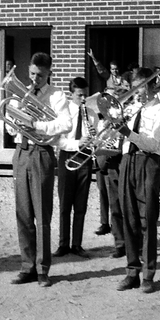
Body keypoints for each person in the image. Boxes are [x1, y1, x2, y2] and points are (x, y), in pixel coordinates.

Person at [0, 52, 73, 287]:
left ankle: (42, 270)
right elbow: (10, 128)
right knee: (23, 213)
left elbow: (65, 124)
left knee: (42, 214)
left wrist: (36, 124)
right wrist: (17, 119)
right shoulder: (19, 96)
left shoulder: (57, 96)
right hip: (21, 153)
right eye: (31, 74)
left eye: (39, 75)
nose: (34, 80)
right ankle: (26, 267)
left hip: (42, 152)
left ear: (49, 73)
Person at [115, 67, 160, 293]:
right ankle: (131, 271)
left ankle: (148, 275)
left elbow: (149, 143)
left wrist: (126, 132)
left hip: (147, 163)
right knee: (127, 218)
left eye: (139, 88)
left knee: (147, 219)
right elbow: (118, 137)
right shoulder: (130, 108)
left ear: (150, 87)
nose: (135, 93)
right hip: (126, 162)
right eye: (132, 88)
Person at [55, 77, 92, 258]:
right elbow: (58, 140)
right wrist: (78, 142)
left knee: (80, 204)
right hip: (67, 156)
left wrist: (92, 140)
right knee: (65, 203)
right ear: (72, 94)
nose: (83, 99)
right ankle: (63, 244)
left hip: (85, 159)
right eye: (79, 95)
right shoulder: (64, 111)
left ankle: (76, 244)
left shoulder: (91, 113)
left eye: (85, 95)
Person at [88, 78, 126, 257]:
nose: (109, 109)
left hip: (125, 162)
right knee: (115, 205)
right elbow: (99, 144)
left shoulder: (128, 116)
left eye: (113, 104)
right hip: (111, 164)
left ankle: (134, 243)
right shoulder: (104, 123)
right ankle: (120, 244)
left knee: (129, 206)